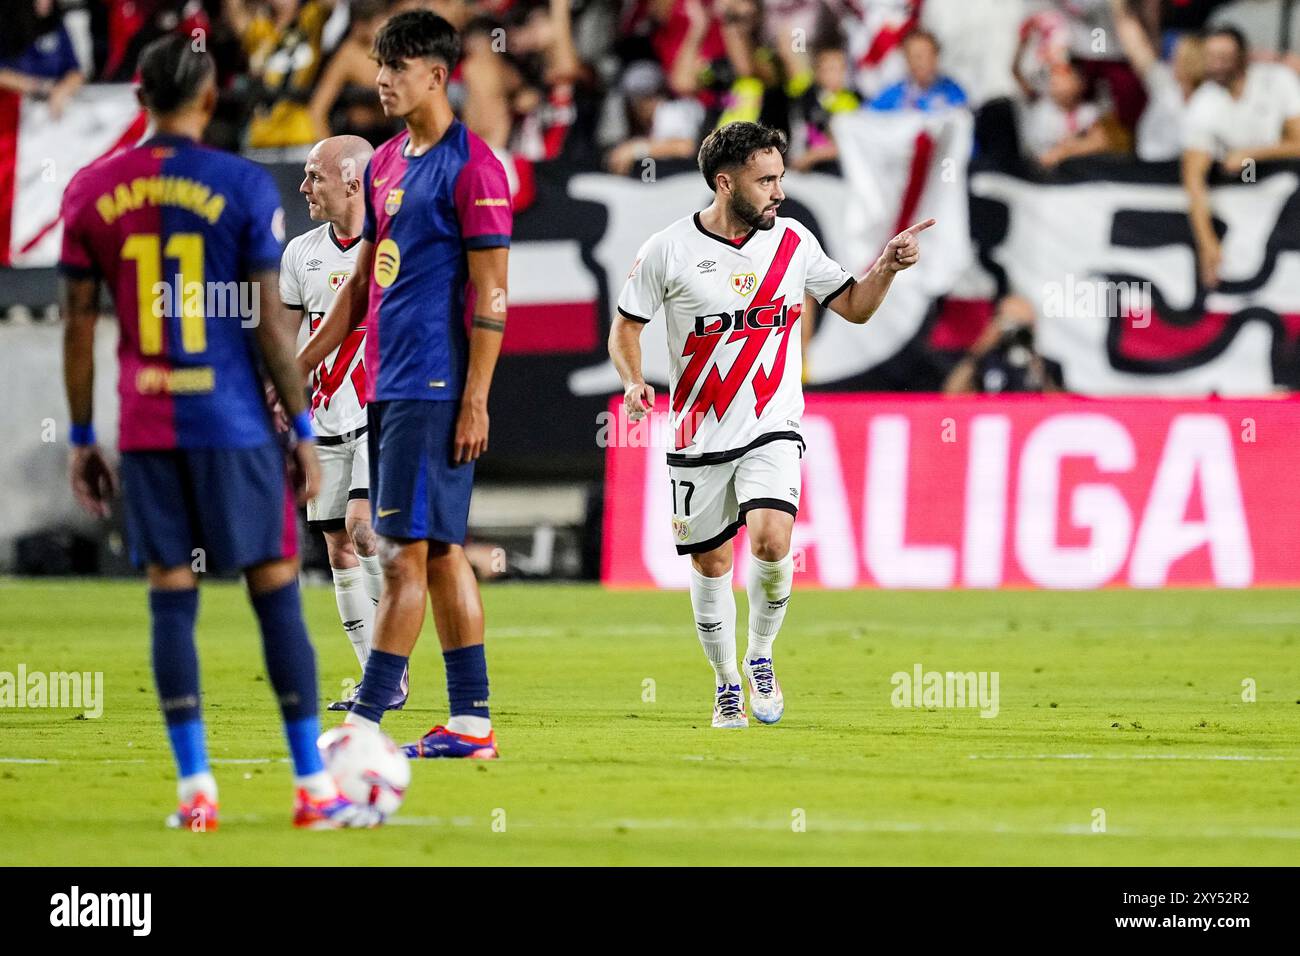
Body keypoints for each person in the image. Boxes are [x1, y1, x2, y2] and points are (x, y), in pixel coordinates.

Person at [58, 35, 375, 829]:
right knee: (274, 595)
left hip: (147, 424)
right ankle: (313, 788)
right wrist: (302, 428)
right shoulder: (239, 183)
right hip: (234, 423)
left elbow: (76, 325)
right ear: (208, 101)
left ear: (139, 99)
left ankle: (195, 793)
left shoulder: (90, 190)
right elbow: (272, 324)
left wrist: (84, 438)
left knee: (171, 599)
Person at [608, 121, 932, 728]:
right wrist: (632, 381)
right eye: (767, 180)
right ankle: (725, 679)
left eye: (781, 177)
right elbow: (626, 326)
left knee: (771, 539)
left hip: (771, 425)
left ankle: (760, 655)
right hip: (698, 434)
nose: (780, 191)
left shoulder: (794, 244)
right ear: (726, 183)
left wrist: (886, 267)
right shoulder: (668, 250)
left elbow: (856, 308)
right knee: (710, 566)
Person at [299, 9, 511, 759]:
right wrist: (297, 369)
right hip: (387, 385)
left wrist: (476, 397)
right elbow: (359, 288)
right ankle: (470, 723)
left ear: (437, 75)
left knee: (400, 553)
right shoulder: (387, 162)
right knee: (444, 552)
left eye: (396, 66)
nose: (381, 79)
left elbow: (491, 295)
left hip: (435, 383)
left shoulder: (474, 167)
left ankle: (362, 728)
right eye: (378, 65)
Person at [281, 134, 411, 712]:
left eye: (316, 176)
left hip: (379, 415)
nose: (305, 186)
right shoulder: (299, 255)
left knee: (365, 531)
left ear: (354, 180)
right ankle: (377, 681)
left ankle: (388, 673)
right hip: (325, 418)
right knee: (337, 548)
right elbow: (285, 339)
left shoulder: (392, 247)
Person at [1181, 25, 1300, 288]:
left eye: (1224, 56)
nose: (1217, 64)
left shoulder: (1277, 80)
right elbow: (1193, 179)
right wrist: (1207, 242)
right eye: (1211, 56)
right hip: (1243, 195)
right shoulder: (1204, 103)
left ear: (1243, 56)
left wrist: (1251, 153)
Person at [1109, 0, 1204, 163]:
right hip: (1155, 167)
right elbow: (1134, 43)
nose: (1183, 63)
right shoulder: (1164, 83)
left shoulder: (1212, 96)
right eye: (1180, 58)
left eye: (1190, 59)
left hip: (1187, 163)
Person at [942, 294, 1061, 394]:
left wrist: (1036, 364)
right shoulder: (985, 361)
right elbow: (951, 394)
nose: (1016, 331)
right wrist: (983, 346)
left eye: (1022, 325)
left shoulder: (1047, 366)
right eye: (1011, 323)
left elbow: (1060, 409)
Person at [0, 0, 84, 120]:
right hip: (13, 115)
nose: (46, 2)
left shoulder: (55, 26)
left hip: (50, 114)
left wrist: (62, 90)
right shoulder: (7, 28)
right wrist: (37, 87)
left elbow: (76, 71)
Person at [868, 29, 967, 112]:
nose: (918, 62)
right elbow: (866, 119)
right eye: (912, 56)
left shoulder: (952, 92)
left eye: (923, 55)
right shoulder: (892, 94)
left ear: (935, 57)